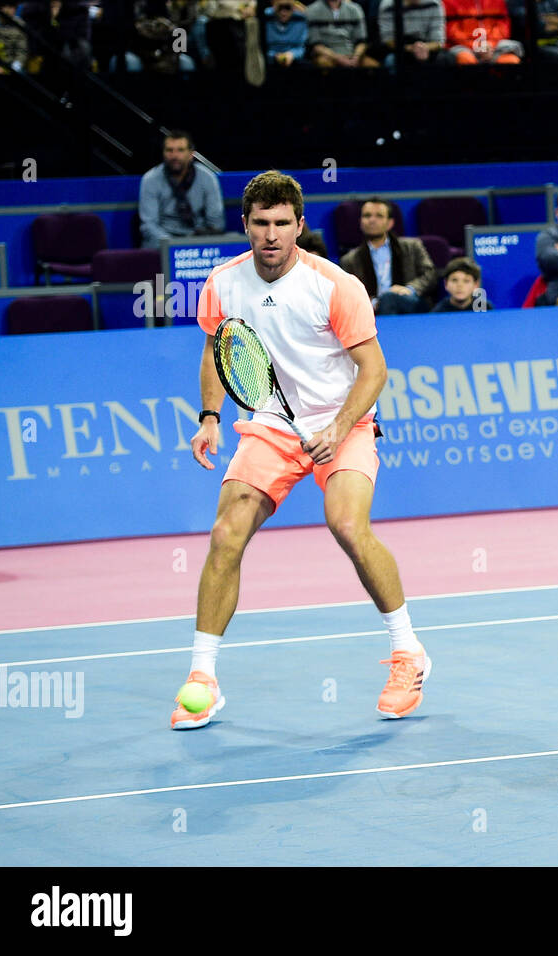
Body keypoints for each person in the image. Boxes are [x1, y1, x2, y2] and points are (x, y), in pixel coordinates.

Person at [177, 170, 429, 730]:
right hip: (271, 426)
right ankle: (202, 677)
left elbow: (375, 369)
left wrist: (338, 428)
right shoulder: (222, 283)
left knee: (346, 525)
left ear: (299, 226)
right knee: (225, 532)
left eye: (282, 224)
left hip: (344, 424)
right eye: (260, 223)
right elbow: (219, 349)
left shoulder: (336, 285)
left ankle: (408, 653)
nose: (270, 235)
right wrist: (211, 417)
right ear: (244, 225)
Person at [340, 197, 437, 314]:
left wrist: (409, 289)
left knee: (389, 298)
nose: (372, 220)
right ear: (361, 222)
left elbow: (430, 274)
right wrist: (370, 302)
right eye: (367, 215)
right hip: (372, 308)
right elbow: (349, 292)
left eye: (379, 216)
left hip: (410, 302)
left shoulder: (412, 247)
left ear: (390, 223)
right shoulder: (350, 260)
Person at [138, 130, 225, 249]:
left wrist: (195, 243)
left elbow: (216, 222)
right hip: (163, 242)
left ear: (191, 154)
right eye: (169, 150)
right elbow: (149, 225)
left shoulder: (207, 177)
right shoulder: (150, 179)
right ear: (163, 153)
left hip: (197, 239)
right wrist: (174, 247)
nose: (174, 156)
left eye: (180, 150)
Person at [444, 0, 522, 64]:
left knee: (511, 61)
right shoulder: (449, 2)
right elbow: (451, 31)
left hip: (492, 47)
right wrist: (477, 46)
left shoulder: (497, 1)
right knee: (466, 60)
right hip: (463, 47)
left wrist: (489, 44)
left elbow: (503, 27)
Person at [374, 0, 445, 67]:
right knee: (391, 60)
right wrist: (411, 49)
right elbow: (388, 40)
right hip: (401, 49)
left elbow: (438, 42)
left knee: (445, 59)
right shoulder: (388, 5)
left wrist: (422, 47)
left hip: (427, 47)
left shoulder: (434, 3)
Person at [305, 0, 375, 67]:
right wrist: (338, 58)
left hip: (351, 54)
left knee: (372, 66)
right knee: (323, 63)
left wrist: (356, 57)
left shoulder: (355, 9)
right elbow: (316, 46)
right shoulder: (313, 10)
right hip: (327, 55)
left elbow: (362, 42)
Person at [430, 256, 495, 310]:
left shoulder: (485, 308)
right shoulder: (439, 311)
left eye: (466, 281)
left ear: (476, 285)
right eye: (454, 280)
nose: (460, 285)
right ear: (446, 284)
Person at [265, 0, 309, 66]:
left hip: (295, 60)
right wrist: (274, 55)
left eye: (287, 8)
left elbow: (301, 47)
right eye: (280, 8)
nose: (283, 12)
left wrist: (292, 54)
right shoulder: (267, 18)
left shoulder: (301, 19)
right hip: (270, 60)